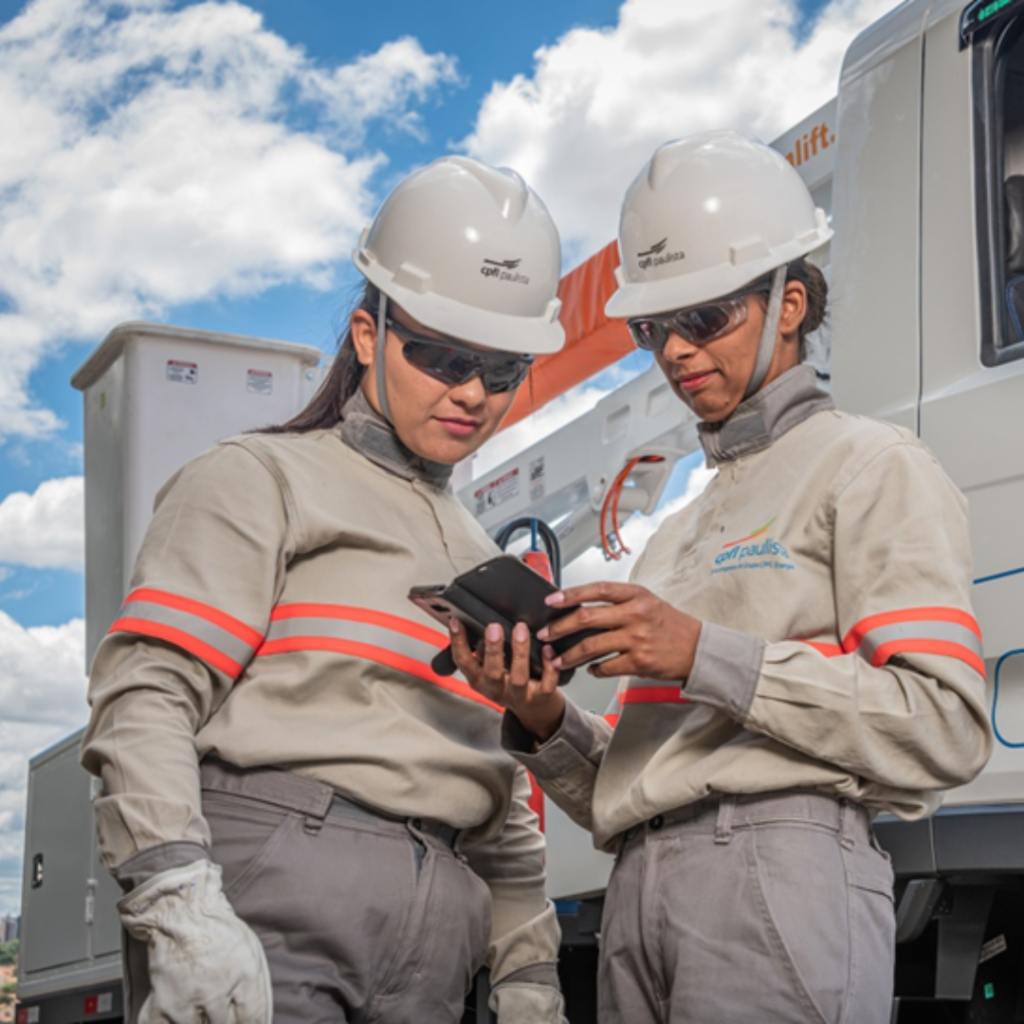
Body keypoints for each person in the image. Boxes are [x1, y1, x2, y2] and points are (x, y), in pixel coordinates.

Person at [450, 131, 993, 1023]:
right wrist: (542, 717)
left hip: (778, 875)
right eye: (654, 328)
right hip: (638, 887)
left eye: (704, 319)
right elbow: (628, 791)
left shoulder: (870, 465)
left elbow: (945, 726)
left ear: (789, 301)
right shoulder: (677, 535)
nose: (674, 352)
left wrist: (703, 651)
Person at [80, 155, 570, 1024]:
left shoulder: (478, 549)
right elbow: (147, 693)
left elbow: (499, 789)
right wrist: (175, 892)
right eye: (442, 355)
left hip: (442, 924)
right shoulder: (258, 478)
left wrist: (528, 969)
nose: (471, 393)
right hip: (277, 892)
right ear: (369, 335)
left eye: (500, 371)